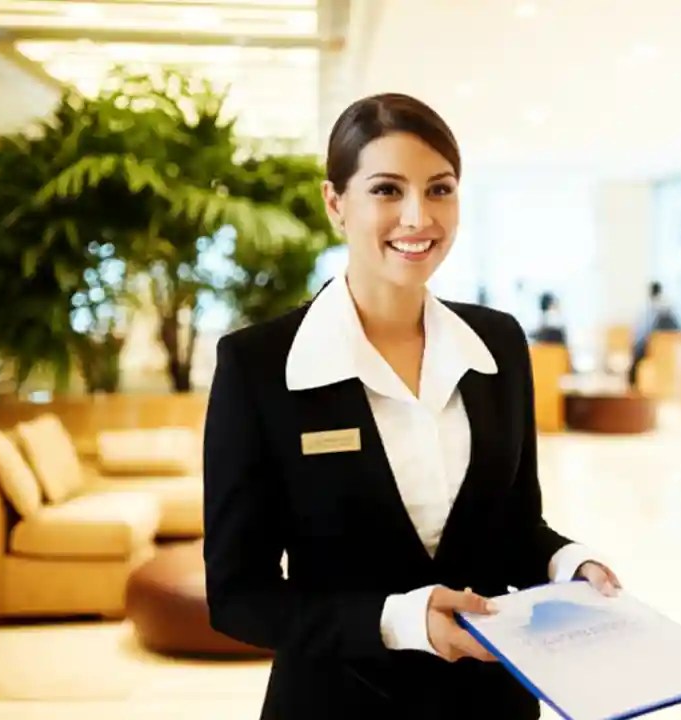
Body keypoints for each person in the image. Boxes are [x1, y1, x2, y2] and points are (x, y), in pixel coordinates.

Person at [202, 93, 621, 719]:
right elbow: (239, 595)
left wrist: (568, 564)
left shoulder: (498, 344)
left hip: (490, 701)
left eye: (440, 189)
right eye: (387, 190)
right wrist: (399, 620)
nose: (418, 217)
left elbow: (512, 523)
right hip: (339, 703)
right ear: (335, 203)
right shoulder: (258, 367)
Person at [627, 281, 681, 386]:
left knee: (634, 360)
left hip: (649, 345)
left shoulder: (649, 309)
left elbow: (641, 331)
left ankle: (632, 388)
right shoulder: (666, 308)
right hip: (661, 346)